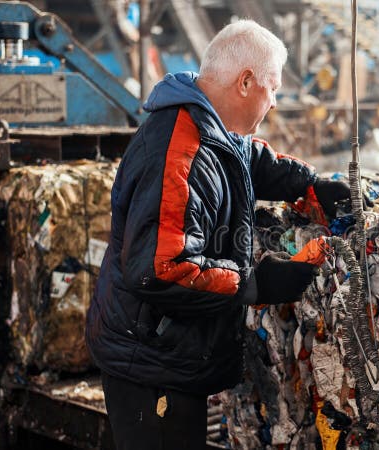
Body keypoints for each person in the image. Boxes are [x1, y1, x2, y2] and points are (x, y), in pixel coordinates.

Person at [86, 20, 350, 449]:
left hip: (168, 351)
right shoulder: (179, 153)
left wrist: (309, 184)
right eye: (273, 88)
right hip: (150, 365)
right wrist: (253, 283)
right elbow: (161, 268)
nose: (275, 102)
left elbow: (247, 158)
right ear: (245, 82)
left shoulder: (208, 123)